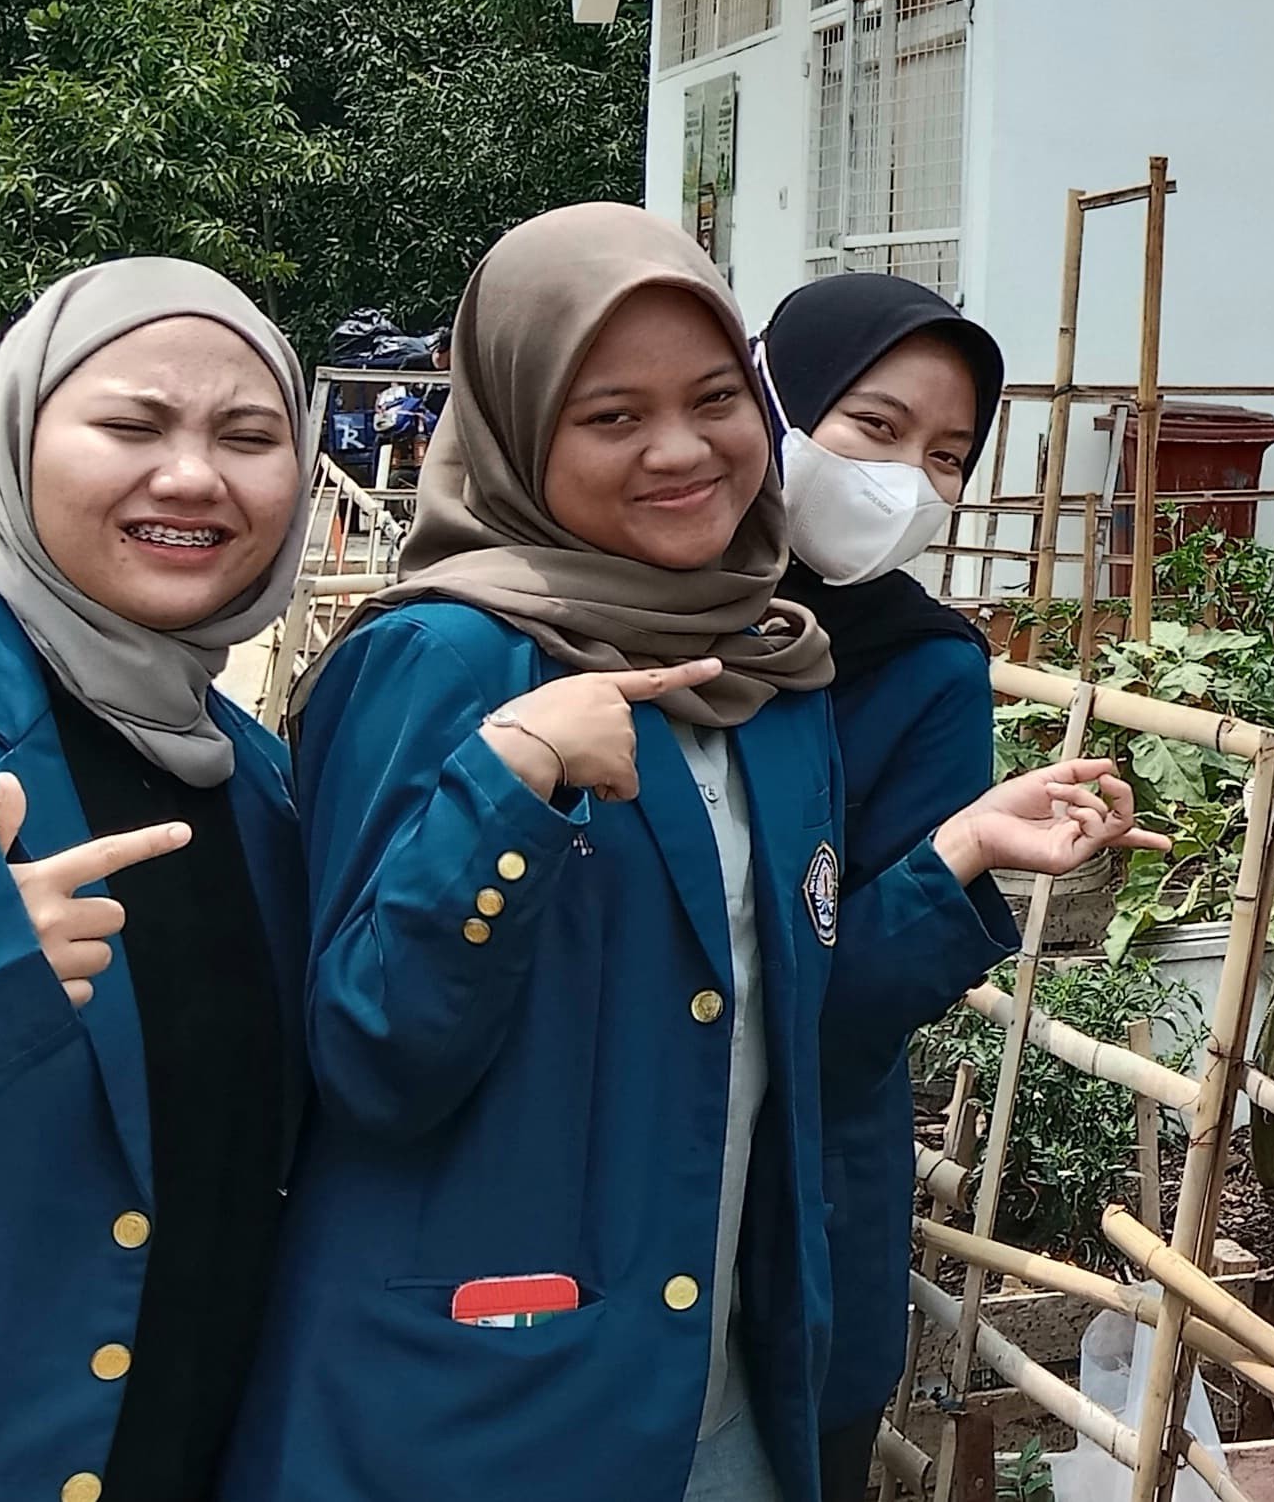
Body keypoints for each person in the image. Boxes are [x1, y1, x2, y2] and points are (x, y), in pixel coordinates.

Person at [229, 205, 1158, 1502]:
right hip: (480, 1406)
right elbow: (372, 1057)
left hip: (723, 1393)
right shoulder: (443, 657)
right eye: (613, 415)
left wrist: (959, 859)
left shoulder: (774, 679)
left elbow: (800, 1025)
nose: (681, 448)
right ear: (519, 419)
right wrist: (509, 790)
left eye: (713, 397)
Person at [0, 260, 315, 1502]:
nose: (193, 477)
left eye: (249, 437)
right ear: (18, 438)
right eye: (133, 425)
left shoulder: (256, 780)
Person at [754, 274, 1013, 1502]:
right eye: (873, 426)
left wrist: (952, 865)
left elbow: (846, 1016)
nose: (911, 479)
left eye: (949, 453)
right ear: (774, 406)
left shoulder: (926, 671)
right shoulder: (630, 623)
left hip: (802, 1181)